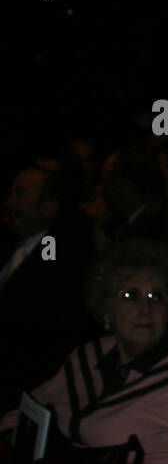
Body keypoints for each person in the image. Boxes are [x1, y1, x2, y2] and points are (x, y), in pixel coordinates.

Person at [0, 238, 168, 464]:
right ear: (107, 307)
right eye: (131, 296)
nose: (146, 309)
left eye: (157, 297)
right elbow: (29, 413)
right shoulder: (87, 357)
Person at [0, 163, 96, 410]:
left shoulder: (58, 256)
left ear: (49, 205)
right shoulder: (13, 243)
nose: (10, 202)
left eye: (20, 194)